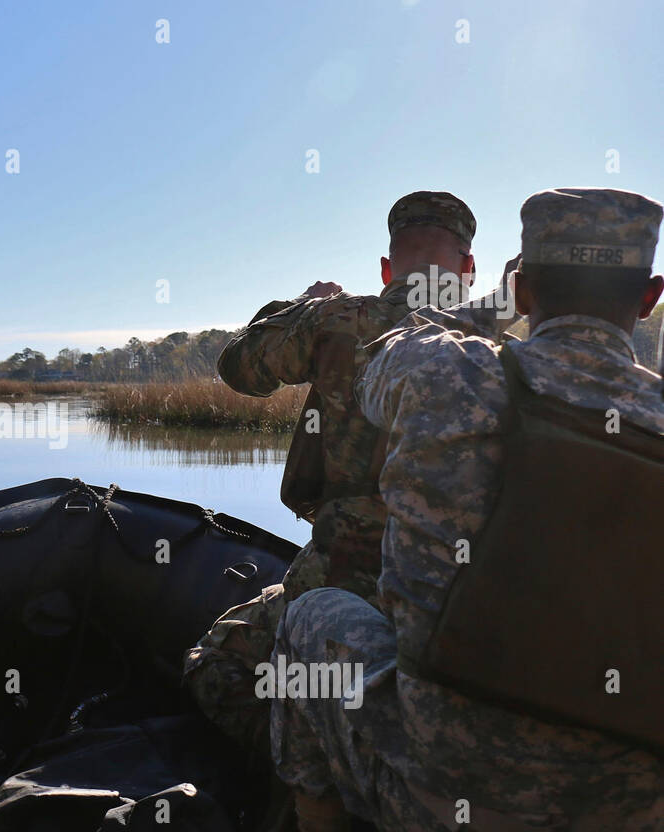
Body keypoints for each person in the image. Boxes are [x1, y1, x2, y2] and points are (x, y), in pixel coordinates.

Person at [274, 187, 664, 832]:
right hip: (630, 825)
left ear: (524, 288)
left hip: (441, 811)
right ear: (651, 296)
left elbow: (382, 359)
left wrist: (490, 311)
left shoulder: (440, 368)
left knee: (308, 617)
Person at [185, 192, 492, 759]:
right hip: (460, 593)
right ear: (468, 269)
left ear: (385, 269)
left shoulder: (337, 319)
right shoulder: (503, 349)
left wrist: (299, 306)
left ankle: (301, 768)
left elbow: (239, 370)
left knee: (215, 663)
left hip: (344, 571)